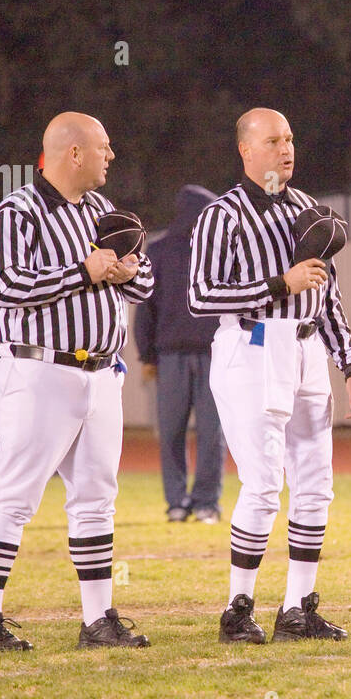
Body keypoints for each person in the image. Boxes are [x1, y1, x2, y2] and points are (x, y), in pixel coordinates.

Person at [0, 111, 154, 652]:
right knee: (13, 497)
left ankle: (98, 620)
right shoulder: (16, 211)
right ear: (74, 153)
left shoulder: (101, 210)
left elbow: (144, 284)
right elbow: (6, 287)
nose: (110, 156)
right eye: (103, 146)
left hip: (100, 374)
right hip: (40, 369)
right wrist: (85, 271)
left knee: (96, 499)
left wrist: (128, 271)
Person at [189, 107, 351, 644]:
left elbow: (327, 295)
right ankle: (237, 610)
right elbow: (201, 296)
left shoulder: (310, 210)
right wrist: (277, 284)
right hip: (253, 344)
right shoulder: (223, 215)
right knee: (265, 484)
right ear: (246, 150)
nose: (286, 149)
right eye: (273, 140)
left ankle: (297, 609)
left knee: (315, 486)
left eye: (290, 138)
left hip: (308, 346)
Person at [134, 184, 225, 524]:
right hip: (174, 356)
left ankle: (203, 502)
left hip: (212, 356)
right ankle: (182, 501)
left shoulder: (219, 251)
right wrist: (147, 355)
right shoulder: (158, 252)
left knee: (210, 432)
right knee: (177, 431)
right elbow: (145, 307)